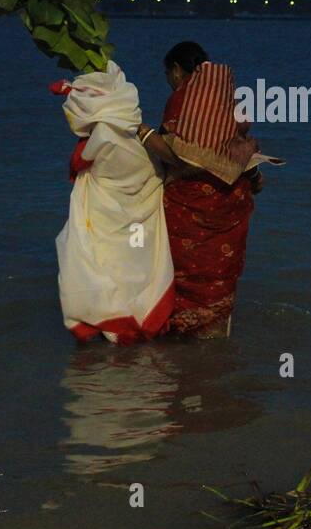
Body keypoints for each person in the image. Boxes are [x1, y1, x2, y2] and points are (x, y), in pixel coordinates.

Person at [136, 42, 279, 338]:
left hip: (193, 202)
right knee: (218, 271)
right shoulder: (226, 100)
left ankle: (184, 331)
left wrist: (142, 132)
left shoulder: (182, 99)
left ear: (177, 70)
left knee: (186, 269)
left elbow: (177, 154)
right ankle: (214, 335)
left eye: (168, 73)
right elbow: (233, 146)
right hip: (230, 199)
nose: (169, 80)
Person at [52, 62, 174, 343]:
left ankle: (106, 322)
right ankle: (139, 318)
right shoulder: (138, 140)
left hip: (106, 219)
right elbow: (155, 173)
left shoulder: (99, 138)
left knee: (106, 264)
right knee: (135, 264)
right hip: (137, 219)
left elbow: (77, 165)